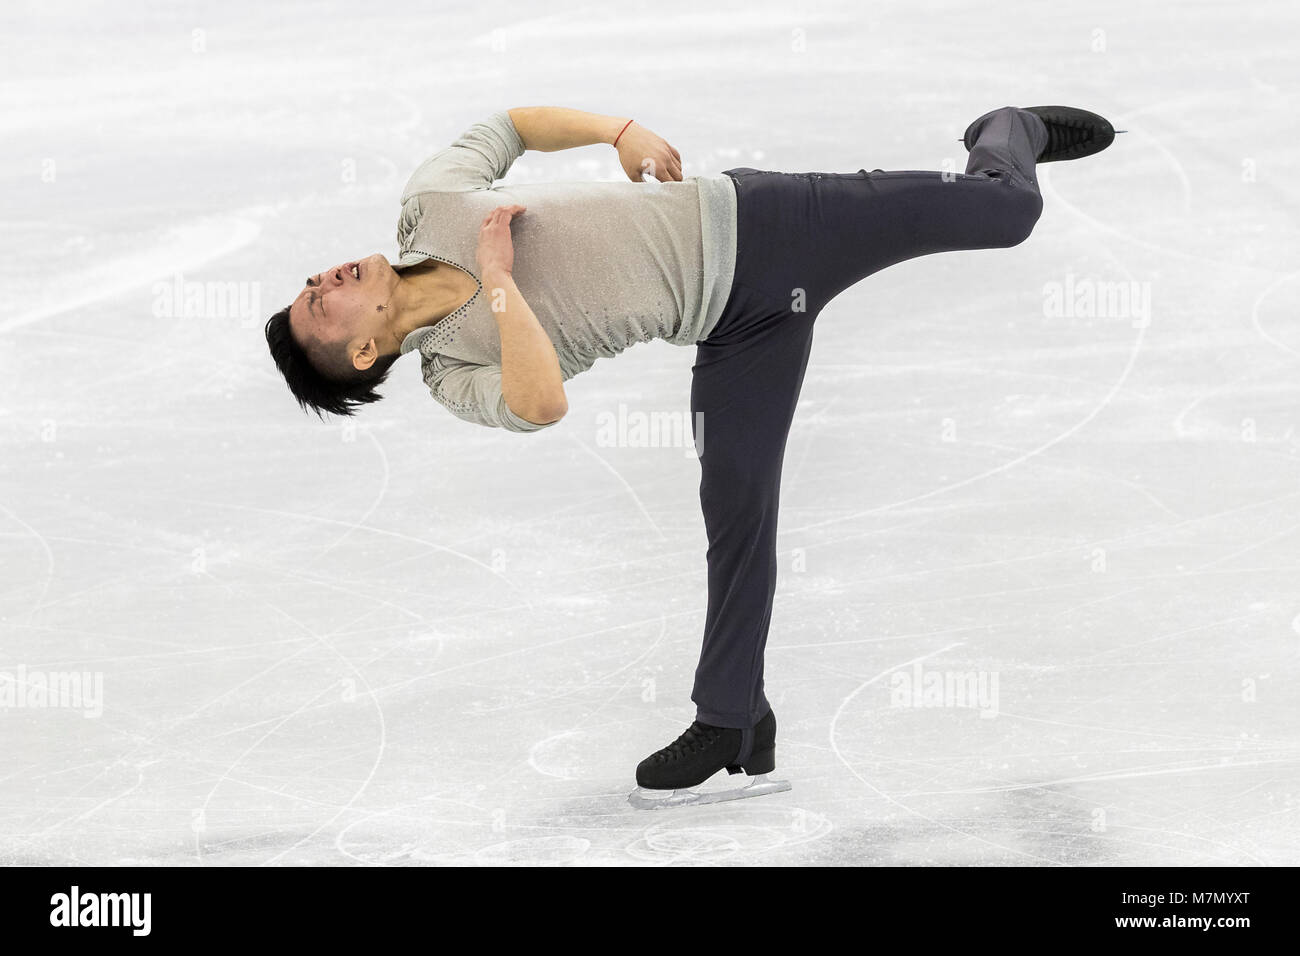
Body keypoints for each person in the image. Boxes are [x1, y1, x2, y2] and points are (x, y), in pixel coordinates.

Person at [265, 104, 1116, 806]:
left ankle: (1008, 131)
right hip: (732, 328)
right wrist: (498, 279)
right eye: (320, 305)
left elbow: (512, 126)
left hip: (773, 221)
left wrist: (619, 131)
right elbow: (541, 401)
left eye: (316, 282)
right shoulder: (455, 373)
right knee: (738, 511)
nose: (325, 280)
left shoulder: (430, 206)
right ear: (366, 353)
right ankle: (734, 718)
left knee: (1008, 214)